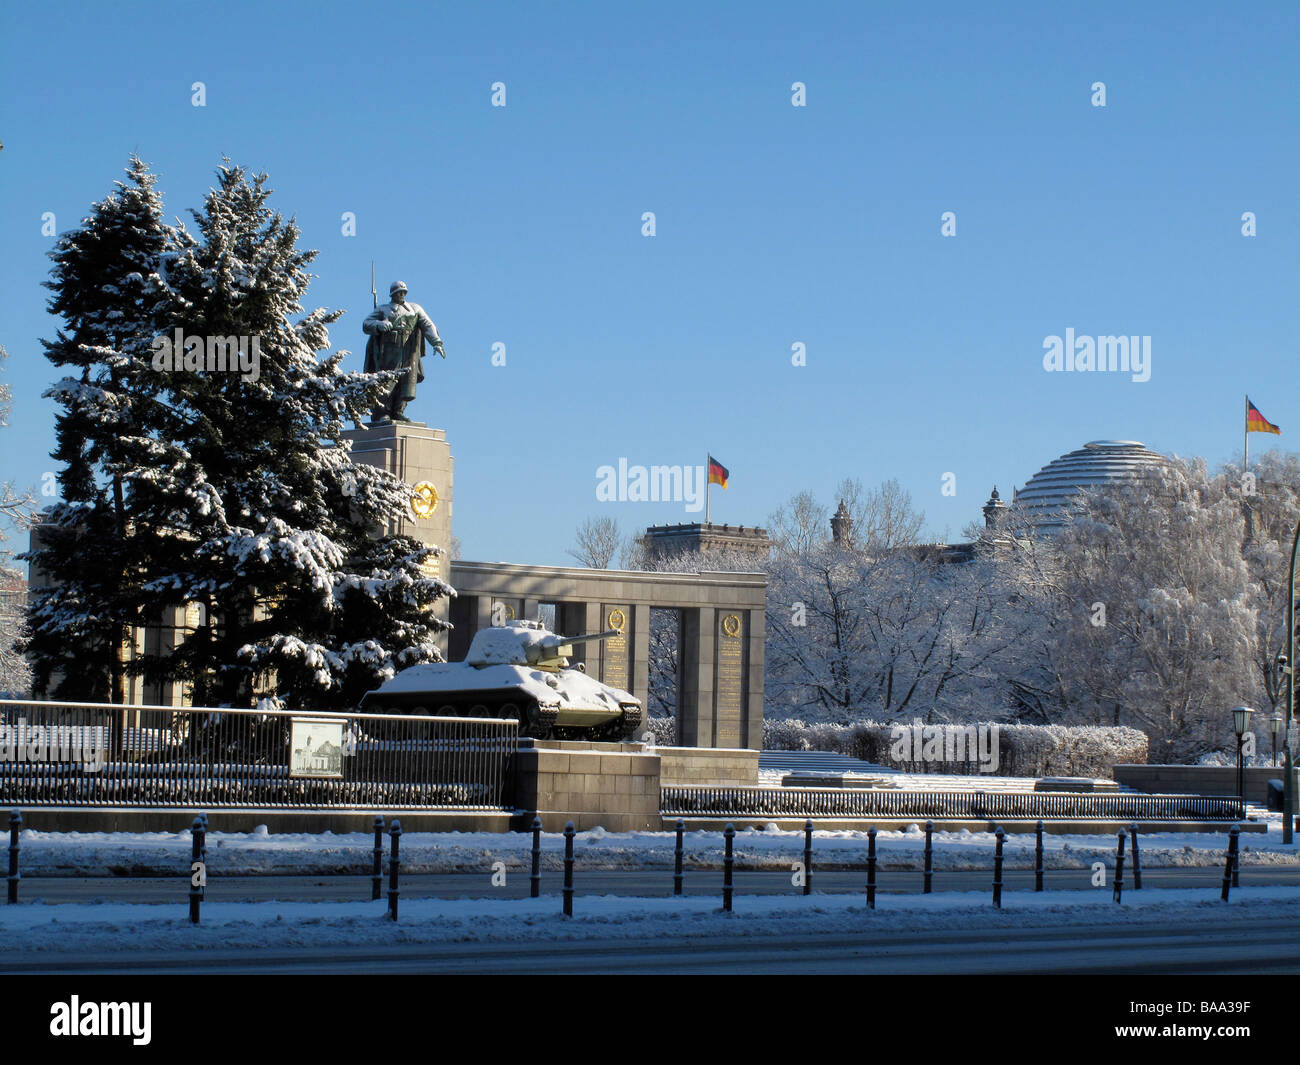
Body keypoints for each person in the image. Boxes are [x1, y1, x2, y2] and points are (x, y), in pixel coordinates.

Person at [362, 280, 445, 423]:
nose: (401, 295)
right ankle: (383, 412)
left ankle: (398, 410)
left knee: (407, 381)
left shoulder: (414, 309)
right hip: (389, 348)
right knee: (388, 380)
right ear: (392, 294)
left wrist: (436, 342)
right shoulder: (383, 309)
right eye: (398, 292)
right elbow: (366, 324)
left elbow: (427, 324)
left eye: (403, 292)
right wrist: (380, 324)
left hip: (409, 348)